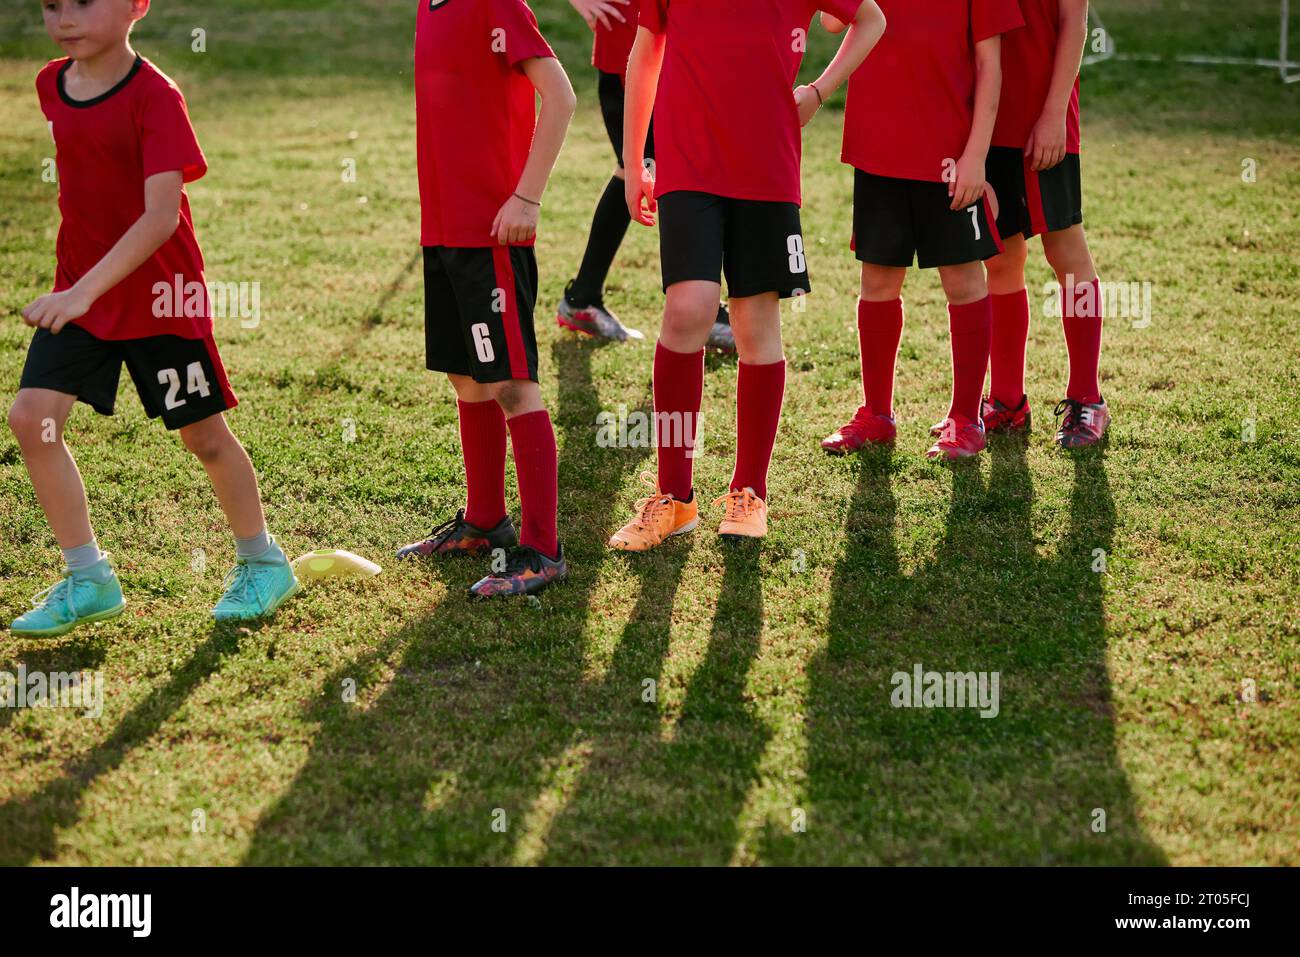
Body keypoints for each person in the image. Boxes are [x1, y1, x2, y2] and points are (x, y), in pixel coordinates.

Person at [9, 0, 299, 639]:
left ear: (136, 4)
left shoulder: (158, 97)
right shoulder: (50, 84)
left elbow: (160, 216)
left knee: (204, 436)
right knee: (33, 419)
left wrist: (82, 292)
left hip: (162, 298)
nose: (64, 18)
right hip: (81, 295)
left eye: (82, 2)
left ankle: (263, 560)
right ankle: (88, 578)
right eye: (51, 6)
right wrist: (78, 292)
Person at [610, 0, 886, 551]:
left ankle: (749, 492)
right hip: (688, 162)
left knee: (755, 322)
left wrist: (818, 90)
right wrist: (633, 160)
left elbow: (871, 19)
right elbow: (645, 55)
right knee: (687, 308)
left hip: (766, 169)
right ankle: (673, 497)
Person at [396, 0, 576, 598]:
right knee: (467, 378)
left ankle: (543, 550)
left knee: (512, 384)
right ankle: (484, 523)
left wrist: (527, 197)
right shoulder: (429, 7)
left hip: (493, 231)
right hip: (444, 230)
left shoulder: (495, 3)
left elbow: (562, 96)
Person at [819, 0, 1025, 461]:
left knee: (962, 279)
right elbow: (832, 21)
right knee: (877, 280)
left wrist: (976, 156)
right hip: (878, 148)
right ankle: (876, 414)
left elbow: (992, 68)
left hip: (950, 153)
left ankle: (966, 418)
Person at [557, 0, 737, 351]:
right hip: (636, 57)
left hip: (673, 57)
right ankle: (703, 311)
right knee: (660, 174)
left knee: (645, 172)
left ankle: (583, 298)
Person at [982, 0, 1109, 448]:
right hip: (988, 119)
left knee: (1065, 251)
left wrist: (1055, 112)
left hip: (1046, 119)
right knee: (1001, 258)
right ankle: (1007, 401)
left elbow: (1075, 19)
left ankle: (1086, 398)